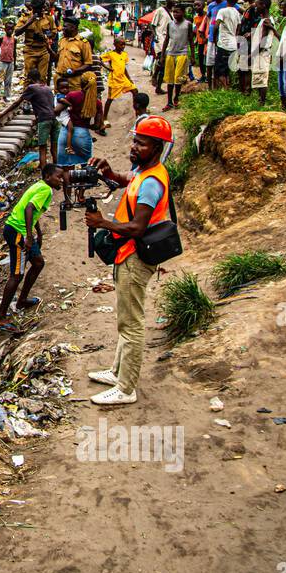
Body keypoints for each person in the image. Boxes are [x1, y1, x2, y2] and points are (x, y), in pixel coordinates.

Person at [83, 116, 175, 406]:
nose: (134, 147)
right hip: (128, 254)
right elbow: (128, 179)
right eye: (135, 141)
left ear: (157, 147)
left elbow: (137, 227)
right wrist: (109, 172)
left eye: (142, 143)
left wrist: (103, 223)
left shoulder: (151, 183)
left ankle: (125, 388)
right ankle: (116, 371)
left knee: (131, 324)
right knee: (125, 318)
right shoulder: (145, 172)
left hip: (135, 257)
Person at [0, 161, 64, 329]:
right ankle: (0, 316)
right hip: (18, 231)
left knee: (38, 262)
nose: (61, 180)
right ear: (48, 177)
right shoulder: (45, 189)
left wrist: (38, 233)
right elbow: (29, 209)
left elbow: (33, 211)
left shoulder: (40, 185)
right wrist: (29, 236)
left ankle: (22, 300)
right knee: (16, 275)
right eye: (58, 177)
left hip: (20, 229)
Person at [57, 15, 98, 131]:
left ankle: (77, 129)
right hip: (60, 81)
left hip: (74, 81)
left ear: (74, 27)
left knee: (75, 106)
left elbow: (88, 63)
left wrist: (75, 71)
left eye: (66, 26)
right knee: (61, 106)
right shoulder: (62, 41)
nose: (63, 28)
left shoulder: (83, 43)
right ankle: (64, 129)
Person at [18, 79, 60, 171]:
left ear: (30, 79)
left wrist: (2, 113)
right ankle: (58, 169)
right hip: (54, 119)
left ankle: (44, 172)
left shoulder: (31, 87)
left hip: (44, 120)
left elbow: (18, 102)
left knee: (42, 148)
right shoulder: (48, 88)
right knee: (54, 147)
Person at [15, 0, 56, 85]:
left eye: (41, 8)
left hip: (43, 50)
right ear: (33, 8)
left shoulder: (48, 18)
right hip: (30, 51)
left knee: (42, 78)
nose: (40, 11)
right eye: (37, 9)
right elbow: (17, 32)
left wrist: (45, 36)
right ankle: (28, 97)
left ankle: (41, 97)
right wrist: (29, 22)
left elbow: (54, 33)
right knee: (29, 78)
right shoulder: (25, 17)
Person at [162, 3, 196, 111]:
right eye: (173, 12)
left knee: (179, 78)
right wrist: (163, 55)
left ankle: (176, 97)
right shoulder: (170, 24)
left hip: (182, 53)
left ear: (183, 12)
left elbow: (191, 40)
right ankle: (169, 102)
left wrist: (192, 56)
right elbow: (167, 39)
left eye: (177, 11)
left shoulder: (188, 24)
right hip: (171, 53)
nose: (175, 14)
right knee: (169, 79)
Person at [55, 73, 93, 167]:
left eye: (67, 88)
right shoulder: (95, 100)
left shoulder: (72, 96)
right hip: (82, 133)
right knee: (85, 164)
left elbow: (56, 110)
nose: (65, 90)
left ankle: (68, 146)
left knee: (64, 166)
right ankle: (69, 146)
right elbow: (97, 125)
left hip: (64, 131)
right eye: (63, 88)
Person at [100, 35, 136, 128]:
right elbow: (100, 59)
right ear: (115, 45)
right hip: (114, 80)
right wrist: (108, 68)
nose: (123, 46)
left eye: (124, 44)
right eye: (121, 44)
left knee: (135, 90)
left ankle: (137, 109)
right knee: (110, 99)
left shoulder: (124, 54)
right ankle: (104, 118)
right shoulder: (110, 54)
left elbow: (124, 68)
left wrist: (129, 79)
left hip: (123, 79)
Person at [248, 0, 275, 106]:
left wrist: (252, 55)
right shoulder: (263, 20)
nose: (256, 7)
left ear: (263, 6)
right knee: (259, 78)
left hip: (262, 53)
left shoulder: (266, 21)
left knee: (262, 79)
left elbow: (263, 41)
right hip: (260, 53)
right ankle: (260, 101)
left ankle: (262, 102)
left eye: (258, 5)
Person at [213, 0, 241, 92]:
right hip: (233, 44)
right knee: (227, 69)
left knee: (220, 70)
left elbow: (216, 26)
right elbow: (238, 28)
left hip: (223, 44)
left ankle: (225, 89)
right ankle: (227, 87)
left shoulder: (222, 11)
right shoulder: (237, 13)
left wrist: (215, 39)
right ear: (237, 1)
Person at [149, 0, 176, 94]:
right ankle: (156, 77)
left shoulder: (174, 12)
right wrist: (155, 35)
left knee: (164, 64)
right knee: (162, 60)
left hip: (170, 40)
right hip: (160, 39)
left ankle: (157, 83)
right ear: (167, 0)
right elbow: (152, 25)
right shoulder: (160, 11)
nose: (173, 1)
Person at [205, 0, 227, 85]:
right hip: (211, 39)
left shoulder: (228, 4)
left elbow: (241, 12)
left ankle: (218, 85)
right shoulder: (211, 6)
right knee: (209, 63)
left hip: (222, 39)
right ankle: (210, 87)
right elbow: (208, 18)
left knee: (220, 64)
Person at [0, 20, 17, 102]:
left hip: (10, 62)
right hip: (3, 62)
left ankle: (6, 95)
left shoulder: (14, 39)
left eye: (12, 29)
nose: (10, 31)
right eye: (8, 29)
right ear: (5, 30)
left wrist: (15, 62)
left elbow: (14, 52)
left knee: (8, 81)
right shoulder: (2, 38)